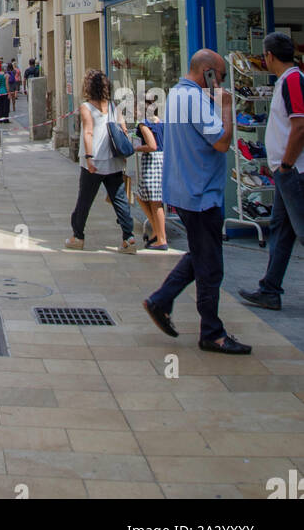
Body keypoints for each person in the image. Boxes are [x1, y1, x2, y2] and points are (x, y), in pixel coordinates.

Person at [144, 50, 251, 354]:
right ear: (207, 72)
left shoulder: (178, 94)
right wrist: (227, 108)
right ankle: (212, 333)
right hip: (201, 194)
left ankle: (161, 300)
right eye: (220, 75)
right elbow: (221, 142)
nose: (221, 82)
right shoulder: (194, 99)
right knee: (211, 267)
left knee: (202, 255)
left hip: (187, 190)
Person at [239, 32, 304, 312]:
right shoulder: (286, 81)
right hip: (284, 172)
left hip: (293, 172)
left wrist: (288, 164)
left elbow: (300, 125)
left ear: (269, 56)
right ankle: (270, 289)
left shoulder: (292, 80)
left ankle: (270, 289)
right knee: (281, 230)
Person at [66, 69, 136, 253]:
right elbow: (123, 131)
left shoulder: (86, 107)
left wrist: (89, 157)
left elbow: (88, 132)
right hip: (113, 161)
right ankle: (128, 238)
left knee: (84, 201)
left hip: (94, 161)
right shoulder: (114, 106)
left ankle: (78, 236)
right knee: (119, 199)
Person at [134, 99, 168, 249]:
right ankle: (156, 231)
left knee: (155, 202)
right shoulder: (161, 122)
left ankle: (161, 238)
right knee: (142, 196)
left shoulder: (144, 124)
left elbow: (152, 146)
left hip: (153, 161)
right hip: (163, 160)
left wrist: (136, 148)